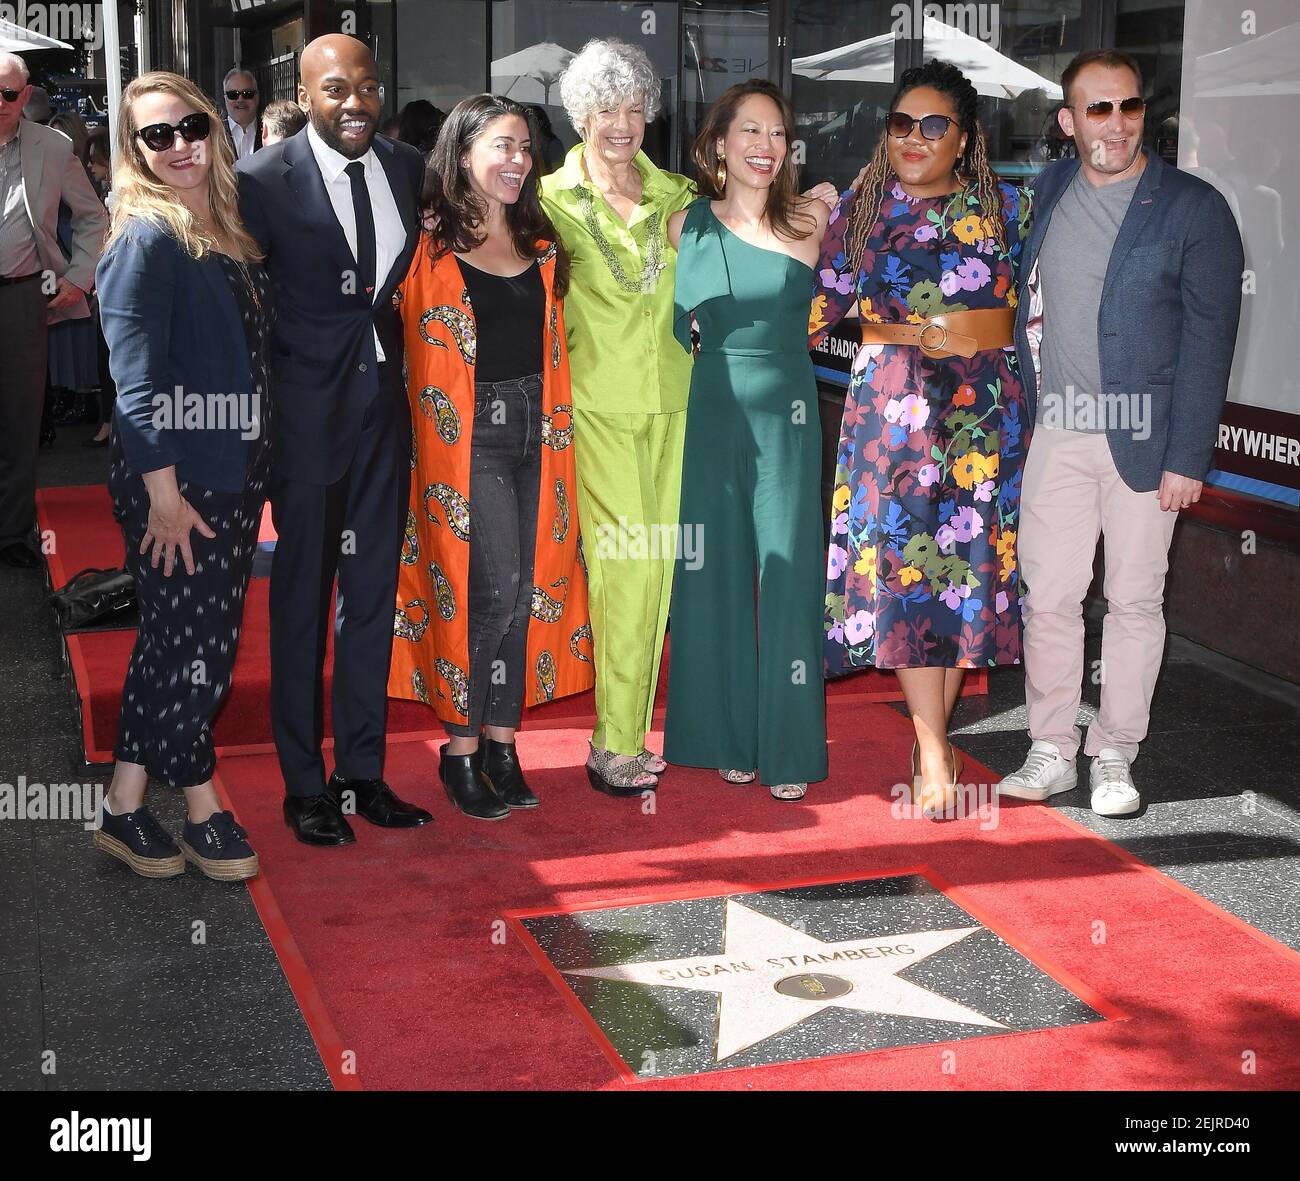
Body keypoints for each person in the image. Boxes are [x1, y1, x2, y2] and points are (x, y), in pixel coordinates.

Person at [999, 50, 1244, 817]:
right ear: (1068, 122)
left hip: (1144, 441)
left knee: (1135, 601)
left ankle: (1114, 750)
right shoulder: (1054, 185)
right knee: (1050, 599)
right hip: (1060, 432)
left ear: (1147, 113)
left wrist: (1188, 456)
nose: (1116, 124)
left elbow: (1212, 341)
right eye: (1097, 110)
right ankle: (1051, 745)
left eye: (1129, 107)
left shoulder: (1193, 207)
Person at [811, 60, 1032, 818]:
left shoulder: (1008, 208)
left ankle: (932, 734)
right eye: (900, 124)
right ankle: (933, 744)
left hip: (983, 417)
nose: (913, 138)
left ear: (964, 138)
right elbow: (813, 303)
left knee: (958, 574)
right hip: (891, 417)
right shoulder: (859, 210)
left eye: (932, 125)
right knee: (907, 572)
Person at [237, 34, 431, 846]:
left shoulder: (404, 166)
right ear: (307, 93)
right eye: (336, 89)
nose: (355, 102)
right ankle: (303, 783)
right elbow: (246, 310)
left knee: (372, 600)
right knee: (302, 601)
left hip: (384, 413)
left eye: (368, 87)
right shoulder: (259, 182)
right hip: (305, 420)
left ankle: (363, 772)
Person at [389, 95, 593, 819]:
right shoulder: (421, 246)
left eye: (524, 148)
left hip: (544, 430)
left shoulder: (542, 244)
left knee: (533, 586)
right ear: (463, 152)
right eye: (500, 145)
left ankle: (504, 742)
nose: (516, 160)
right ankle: (460, 748)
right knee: (494, 588)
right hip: (467, 440)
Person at [94, 71, 271, 880]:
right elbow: (132, 385)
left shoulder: (222, 226)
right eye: (155, 136)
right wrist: (163, 494)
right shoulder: (144, 239)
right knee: (198, 643)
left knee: (175, 638)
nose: (179, 146)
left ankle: (126, 804)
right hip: (179, 481)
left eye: (189, 125)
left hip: (224, 471)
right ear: (133, 152)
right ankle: (202, 807)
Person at [664, 80, 830, 801]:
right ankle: (727, 735)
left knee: (788, 572)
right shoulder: (683, 225)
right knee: (716, 572)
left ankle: (787, 743)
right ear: (719, 145)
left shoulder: (810, 223)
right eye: (751, 132)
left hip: (790, 418)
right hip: (712, 413)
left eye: (778, 134)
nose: (767, 147)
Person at [538, 38, 695, 796]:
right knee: (627, 569)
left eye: (635, 107)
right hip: (597, 410)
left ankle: (632, 729)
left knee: (658, 570)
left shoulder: (680, 196)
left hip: (680, 402)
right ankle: (615, 744)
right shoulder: (546, 200)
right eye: (607, 108)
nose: (623, 122)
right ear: (580, 115)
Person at [0, 52, 106, 569]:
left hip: (24, 293)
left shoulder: (53, 146)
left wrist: (76, 279)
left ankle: (13, 533)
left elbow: (93, 218)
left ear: (25, 96)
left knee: (21, 416)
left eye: (8, 94)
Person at [221, 67, 261, 159]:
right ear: (225, 98)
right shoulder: (214, 133)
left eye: (247, 94)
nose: (240, 100)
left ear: (257, 97)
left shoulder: (270, 131)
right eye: (233, 95)